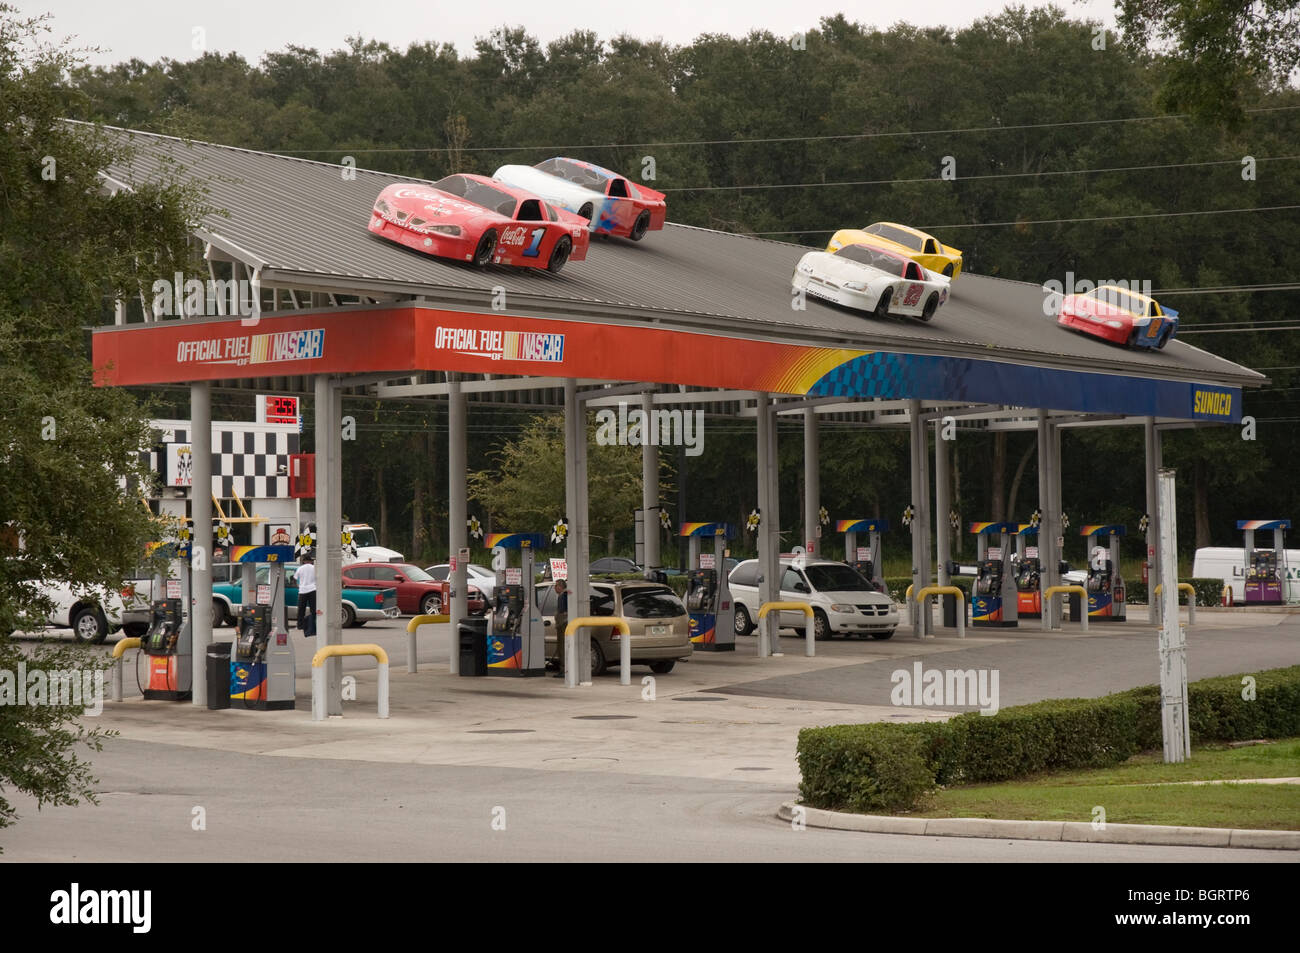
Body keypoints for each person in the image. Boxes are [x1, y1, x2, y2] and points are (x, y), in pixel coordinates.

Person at [296, 553, 317, 637]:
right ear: (311, 561)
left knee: (301, 609)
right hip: (313, 589)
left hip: (303, 590)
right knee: (313, 609)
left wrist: (299, 585)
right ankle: (313, 624)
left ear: (304, 561)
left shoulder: (300, 568)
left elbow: (294, 578)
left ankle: (300, 625)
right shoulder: (314, 568)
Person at [551, 579, 568, 677]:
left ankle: (563, 670)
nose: (554, 588)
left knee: (562, 647)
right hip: (564, 624)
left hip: (563, 625)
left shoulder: (563, 596)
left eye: (556, 586)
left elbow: (563, 612)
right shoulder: (565, 595)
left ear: (560, 586)